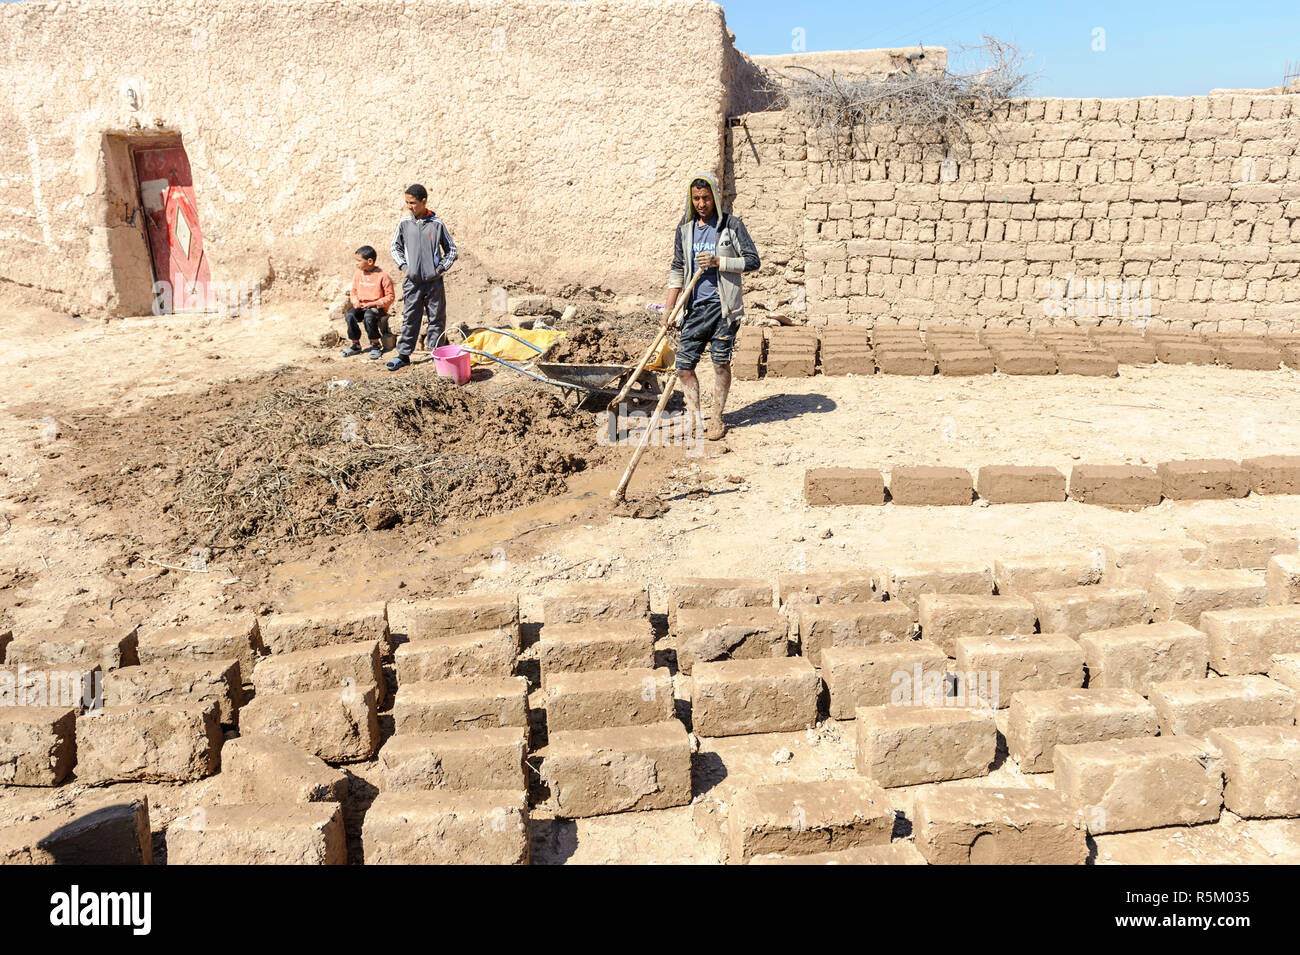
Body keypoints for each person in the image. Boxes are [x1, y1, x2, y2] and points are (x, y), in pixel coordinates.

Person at [665, 172, 760, 440]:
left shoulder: (731, 226)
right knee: (683, 367)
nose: (701, 203)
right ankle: (696, 418)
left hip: (723, 309)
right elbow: (677, 269)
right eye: (696, 198)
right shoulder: (685, 230)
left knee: (719, 363)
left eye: (706, 198)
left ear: (715, 198)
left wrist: (720, 262)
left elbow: (753, 261)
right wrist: (670, 309)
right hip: (694, 309)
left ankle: (717, 416)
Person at [387, 183, 457, 371]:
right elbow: (395, 247)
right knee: (410, 317)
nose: (409, 206)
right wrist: (404, 266)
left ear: (424, 201)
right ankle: (403, 355)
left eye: (412, 203)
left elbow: (451, 250)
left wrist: (440, 268)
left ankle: (437, 355)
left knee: (436, 318)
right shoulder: (404, 223)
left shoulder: (437, 224)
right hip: (412, 282)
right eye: (407, 202)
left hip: (434, 282)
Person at [342, 245, 395, 359]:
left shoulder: (382, 276)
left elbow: (390, 297)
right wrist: (355, 301)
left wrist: (374, 303)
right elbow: (354, 291)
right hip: (361, 306)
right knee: (350, 315)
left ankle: (375, 345)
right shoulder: (358, 274)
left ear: (370, 261)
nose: (356, 263)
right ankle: (355, 344)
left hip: (376, 307)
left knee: (369, 316)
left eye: (359, 261)